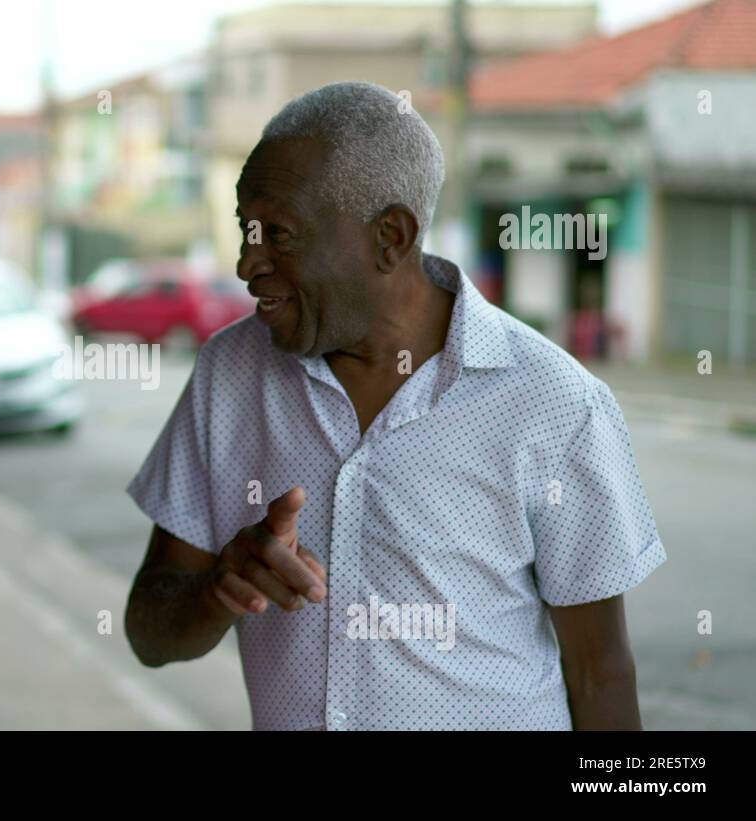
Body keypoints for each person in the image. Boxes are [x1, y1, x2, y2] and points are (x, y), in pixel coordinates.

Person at [124, 81, 665, 730]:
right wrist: (220, 588)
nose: (247, 262)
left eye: (281, 234)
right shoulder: (230, 374)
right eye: (247, 229)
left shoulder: (556, 403)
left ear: (391, 236)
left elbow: (598, 670)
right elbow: (150, 633)